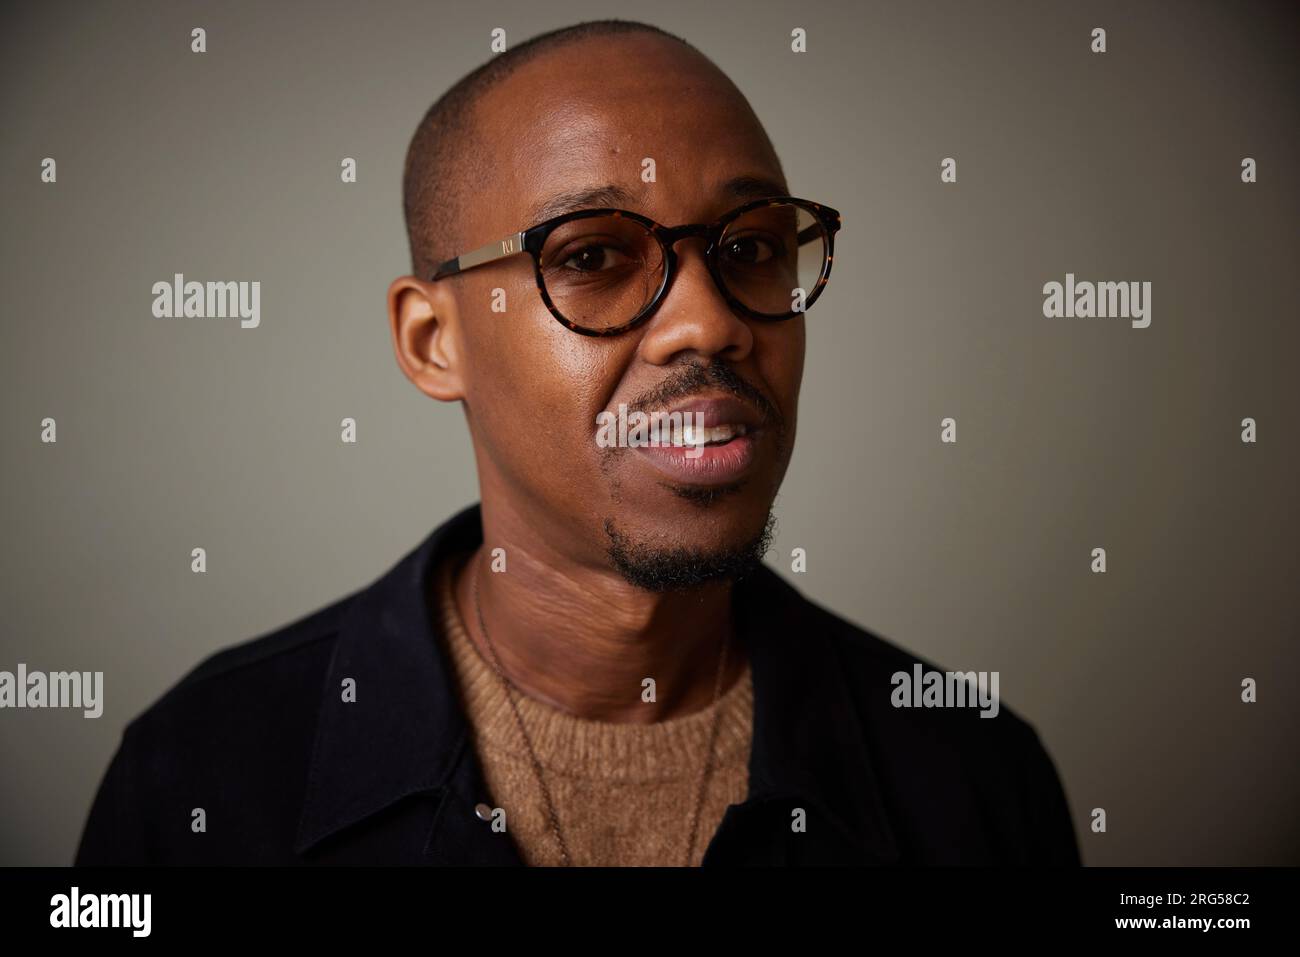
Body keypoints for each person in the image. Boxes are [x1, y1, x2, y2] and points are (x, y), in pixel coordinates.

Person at [75, 18, 1080, 867]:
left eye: (753, 249)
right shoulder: (204, 775)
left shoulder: (971, 778)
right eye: (592, 256)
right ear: (435, 343)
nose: (707, 323)